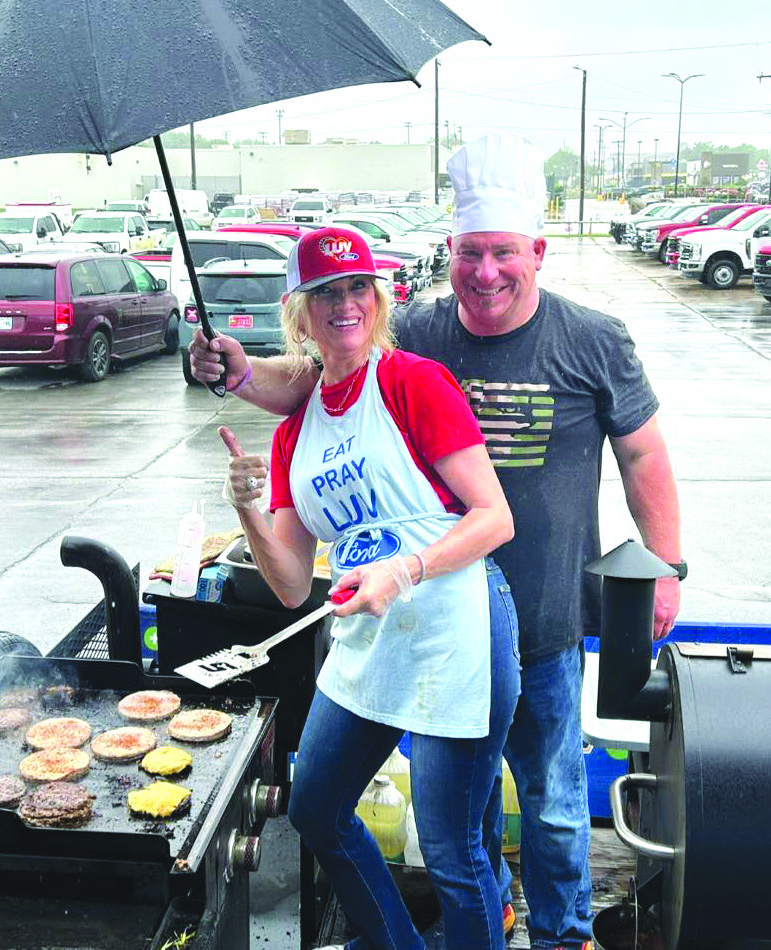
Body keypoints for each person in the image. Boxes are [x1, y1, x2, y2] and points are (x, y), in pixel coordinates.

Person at [190, 134, 683, 950]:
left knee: (554, 805)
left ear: (537, 252)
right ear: (448, 256)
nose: (485, 272)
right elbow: (320, 380)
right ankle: (474, 924)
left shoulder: (591, 339)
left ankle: (563, 936)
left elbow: (644, 459)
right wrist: (238, 376)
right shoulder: (420, 333)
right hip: (404, 621)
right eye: (469, 254)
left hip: (537, 612)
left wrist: (665, 572)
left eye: (502, 253)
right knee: (458, 822)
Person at [219, 224, 521, 950]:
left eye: (358, 287)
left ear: (378, 300)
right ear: (300, 314)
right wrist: (248, 508)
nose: (345, 304)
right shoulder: (296, 431)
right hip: (370, 632)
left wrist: (405, 567)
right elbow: (291, 585)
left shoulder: (414, 381)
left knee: (453, 850)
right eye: (326, 293)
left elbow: (495, 518)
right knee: (317, 807)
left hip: (458, 622)